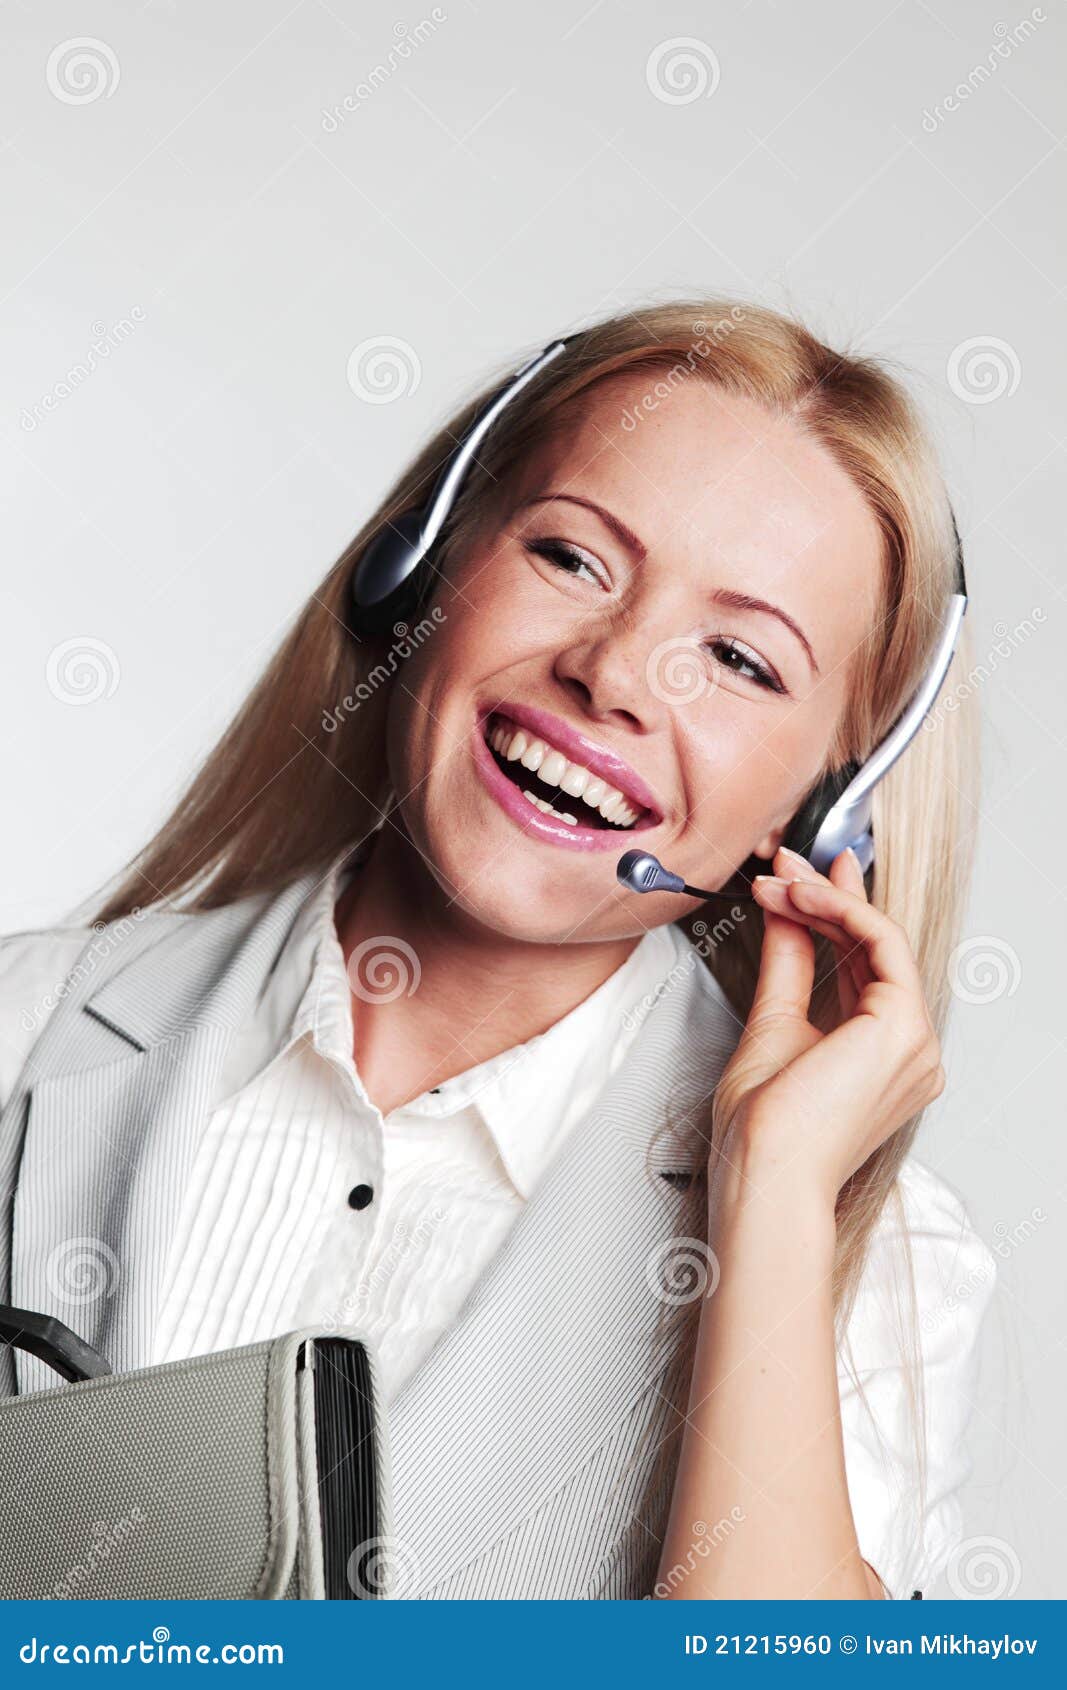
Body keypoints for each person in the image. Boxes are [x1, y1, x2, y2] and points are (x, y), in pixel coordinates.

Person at [0, 300, 996, 1600]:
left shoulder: (875, 1261)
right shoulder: (25, 1020)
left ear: (825, 804)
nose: (619, 671)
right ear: (420, 566)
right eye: (573, 558)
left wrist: (772, 1196)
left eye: (741, 657)